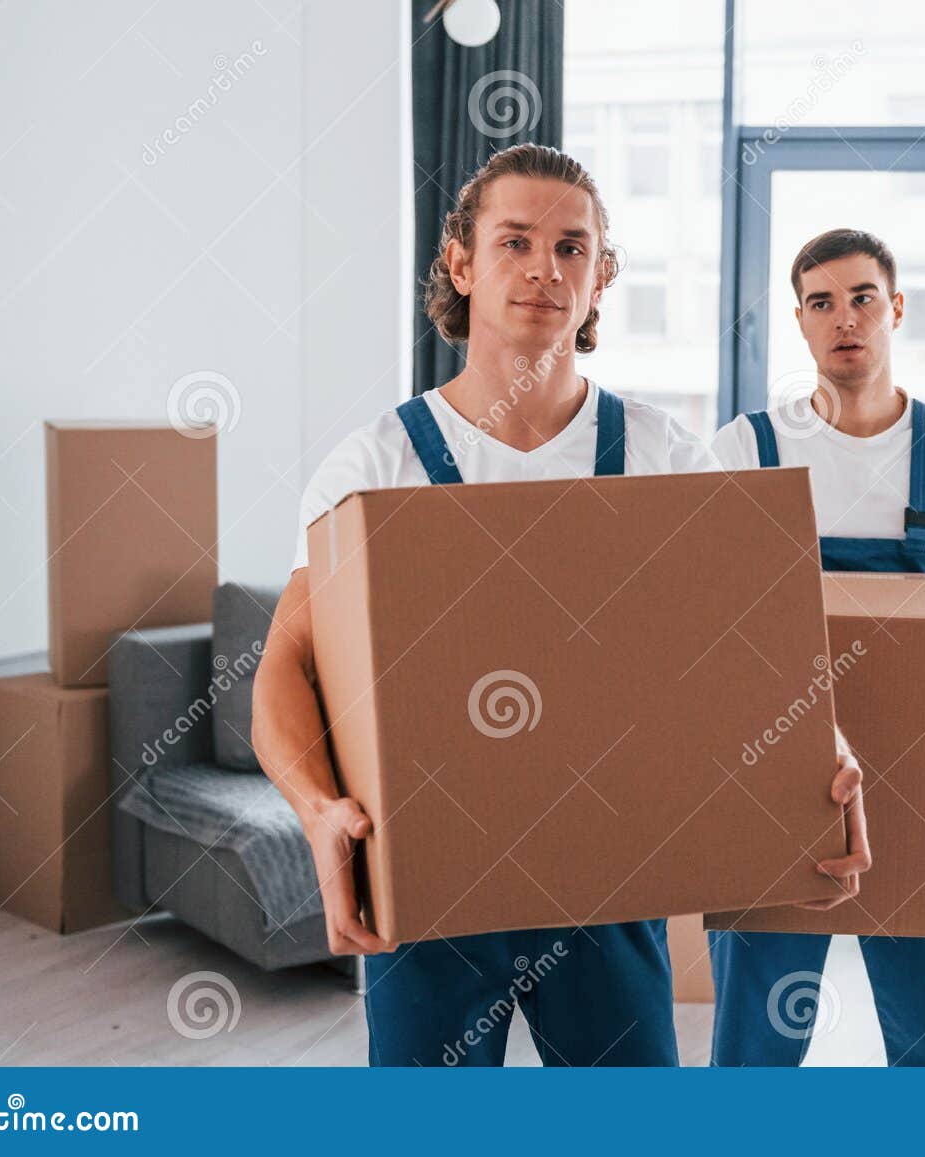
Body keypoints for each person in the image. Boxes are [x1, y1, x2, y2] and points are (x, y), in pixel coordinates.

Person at [250, 145, 871, 1067]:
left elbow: (756, 656)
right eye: (515, 242)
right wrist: (317, 809)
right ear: (461, 265)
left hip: (610, 896)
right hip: (431, 898)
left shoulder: (667, 459)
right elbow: (284, 666)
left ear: (601, 278)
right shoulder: (378, 466)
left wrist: (822, 772)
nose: (546, 268)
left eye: (573, 248)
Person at [707, 227, 925, 1067]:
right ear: (800, 323)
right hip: (778, 791)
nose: (845, 319)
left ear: (895, 308)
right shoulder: (744, 452)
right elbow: (706, 639)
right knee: (754, 1051)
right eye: (822, 303)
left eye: (863, 297)